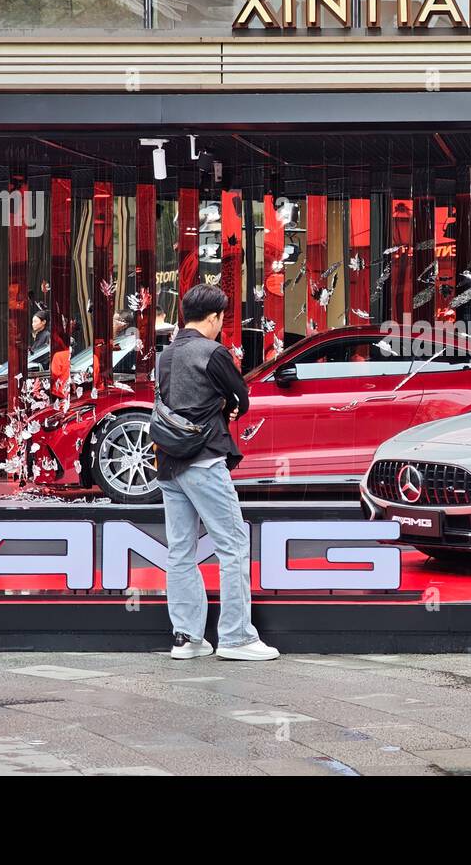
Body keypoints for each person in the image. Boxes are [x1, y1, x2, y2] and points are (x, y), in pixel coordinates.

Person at [156, 284, 279, 662]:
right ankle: (236, 637)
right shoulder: (213, 353)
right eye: (222, 318)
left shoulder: (165, 355)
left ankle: (187, 638)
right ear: (213, 318)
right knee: (233, 545)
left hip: (168, 465)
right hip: (204, 460)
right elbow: (241, 396)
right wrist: (226, 405)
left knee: (180, 551)